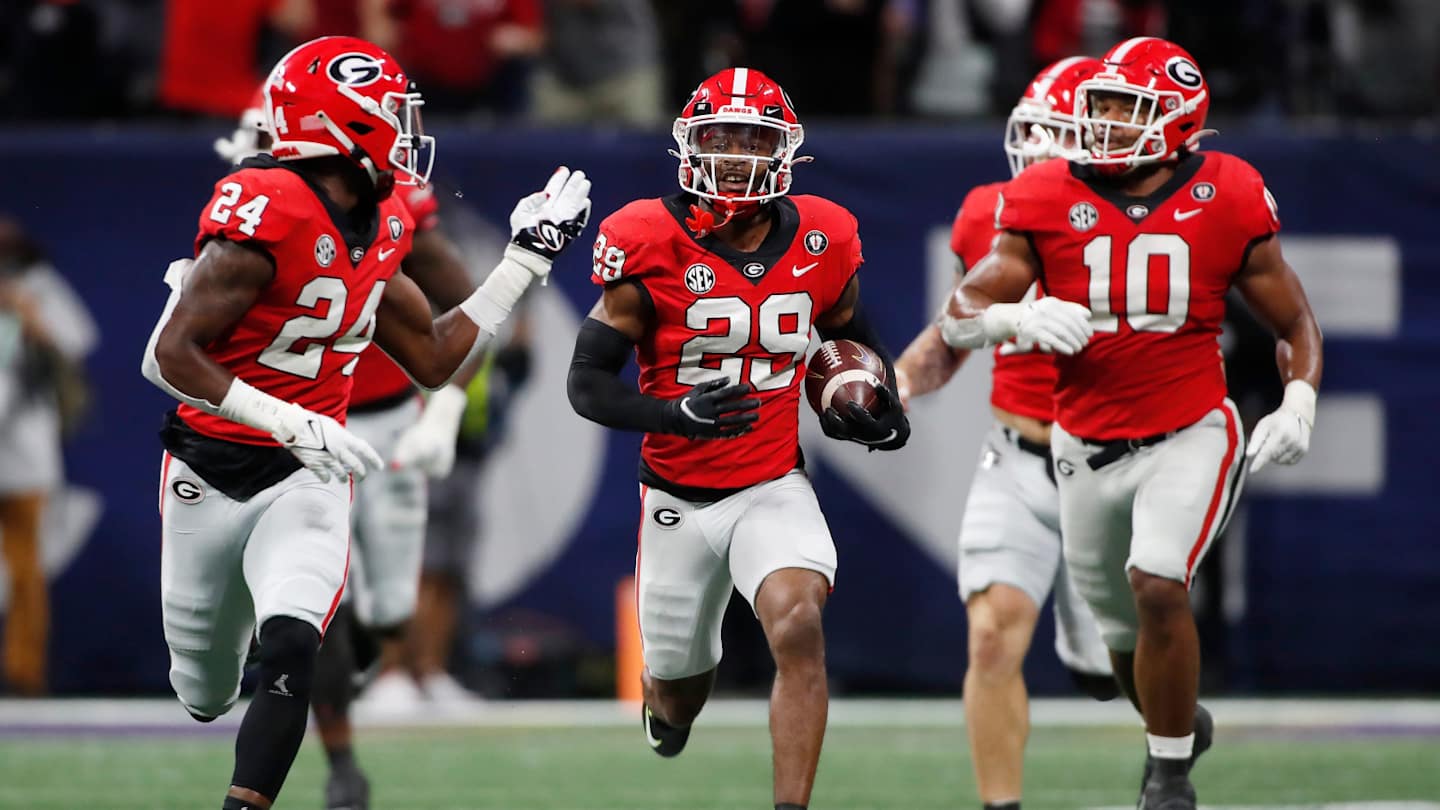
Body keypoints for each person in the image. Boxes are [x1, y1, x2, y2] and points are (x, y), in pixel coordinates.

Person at [141, 35, 591, 810]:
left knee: (293, 643)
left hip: (310, 478)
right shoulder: (271, 206)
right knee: (206, 691)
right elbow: (167, 357)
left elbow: (438, 357)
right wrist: (281, 417)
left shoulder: (383, 221)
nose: (407, 130)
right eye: (391, 113)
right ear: (341, 126)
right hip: (210, 469)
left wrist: (526, 258)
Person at [938, 37, 1323, 810]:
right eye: (1101, 106)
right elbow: (959, 316)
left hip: (1190, 430)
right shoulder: (1046, 192)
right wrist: (1016, 314)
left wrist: (1301, 397)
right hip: (1083, 444)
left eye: (1127, 109)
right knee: (1118, 645)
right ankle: (1177, 722)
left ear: (1179, 121)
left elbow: (1291, 319)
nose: (1105, 123)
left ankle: (1169, 776)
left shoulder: (1229, 191)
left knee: (1155, 580)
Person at [567, 67, 910, 810]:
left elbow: (853, 334)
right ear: (690, 147)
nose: (736, 158)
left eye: (753, 141)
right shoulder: (645, 237)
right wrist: (672, 415)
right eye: (720, 140)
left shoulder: (826, 235)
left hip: (771, 486)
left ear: (785, 150)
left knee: (797, 621)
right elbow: (587, 383)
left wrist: (886, 402)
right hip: (675, 501)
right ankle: (666, 710)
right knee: (677, 693)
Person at [216, 79, 491, 810]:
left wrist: (445, 409)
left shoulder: (391, 210)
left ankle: (343, 665)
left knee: (391, 609)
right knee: (311, 615)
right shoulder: (250, 216)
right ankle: (340, 756)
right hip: (289, 429)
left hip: (388, 418)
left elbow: (466, 315)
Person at [894, 55, 1117, 810]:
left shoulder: (1142, 218)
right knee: (991, 637)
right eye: (1035, 137)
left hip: (1117, 462)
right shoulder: (987, 211)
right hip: (1017, 453)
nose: (1040, 157)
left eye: (1060, 139)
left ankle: (1170, 754)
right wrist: (894, 382)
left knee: (1126, 660)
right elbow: (957, 334)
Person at [0, 217, 98, 696]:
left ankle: (23, 673)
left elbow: (77, 341)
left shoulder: (36, 285)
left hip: (21, 456)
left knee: (25, 571)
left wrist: (29, 316)